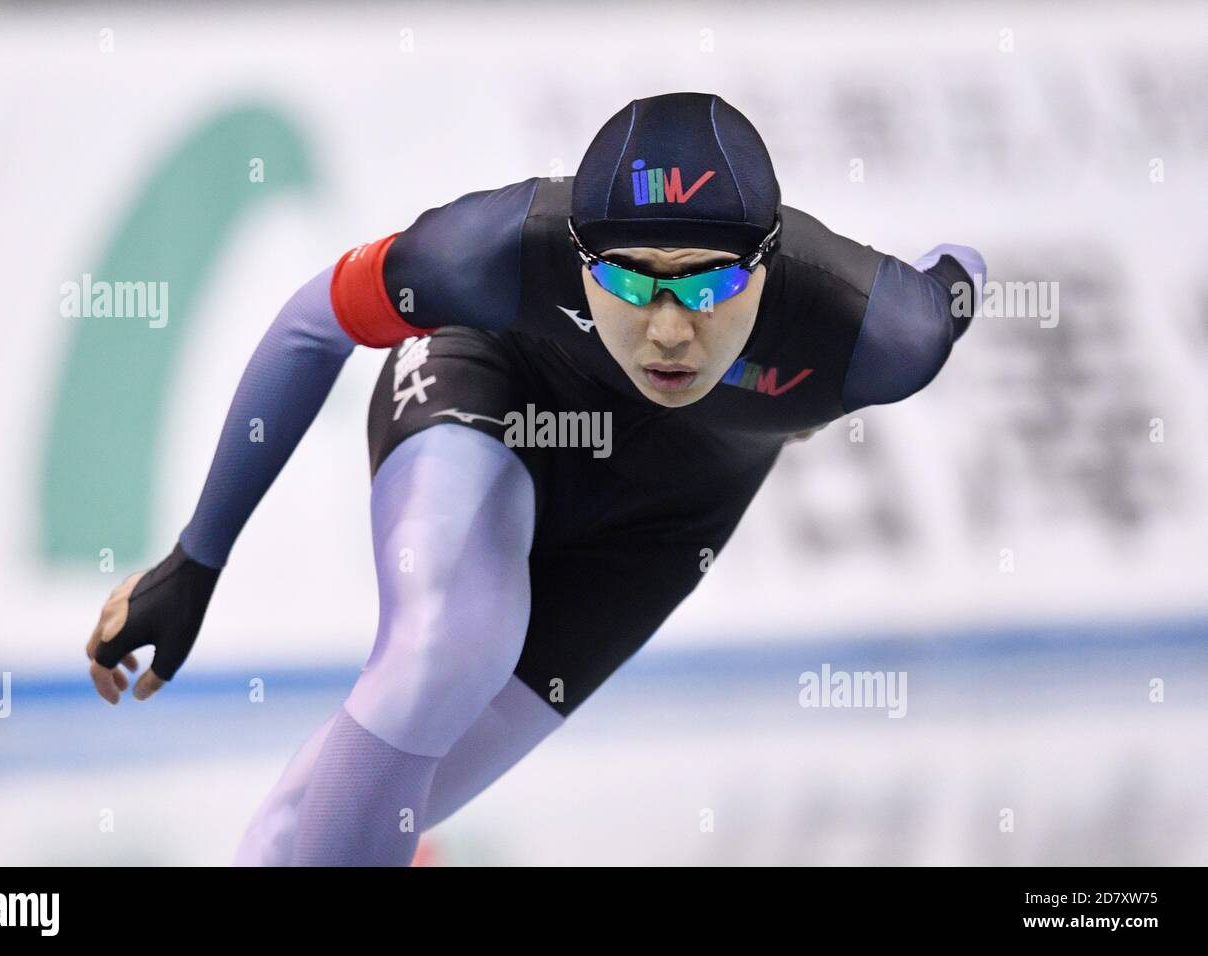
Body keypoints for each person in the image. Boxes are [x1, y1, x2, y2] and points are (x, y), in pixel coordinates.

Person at [85, 92, 985, 866]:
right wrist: (196, 561)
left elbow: (959, 276)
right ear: (579, 257)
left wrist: (961, 270)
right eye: (631, 287)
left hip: (665, 524)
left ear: (770, 264)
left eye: (707, 289)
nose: (669, 331)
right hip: (492, 399)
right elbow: (313, 325)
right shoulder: (496, 247)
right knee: (454, 643)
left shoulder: (881, 332)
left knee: (374, 809)